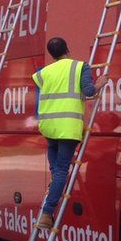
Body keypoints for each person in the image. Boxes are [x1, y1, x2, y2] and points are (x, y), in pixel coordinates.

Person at [31, 37, 106, 228]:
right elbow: (89, 91)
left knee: (56, 170)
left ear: (52, 54)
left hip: (49, 126)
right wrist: (100, 83)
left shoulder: (44, 72)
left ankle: (53, 191)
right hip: (67, 127)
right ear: (68, 49)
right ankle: (47, 213)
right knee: (61, 171)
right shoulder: (80, 67)